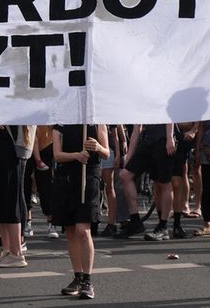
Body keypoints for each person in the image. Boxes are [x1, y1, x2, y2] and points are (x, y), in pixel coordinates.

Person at [52, 124, 109, 300]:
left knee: (82, 230)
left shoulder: (97, 123)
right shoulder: (60, 125)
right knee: (70, 231)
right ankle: (77, 277)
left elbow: (106, 153)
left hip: (89, 178)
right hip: (66, 179)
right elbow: (57, 155)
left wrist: (98, 147)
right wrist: (77, 155)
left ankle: (87, 280)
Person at [0, 125, 33, 268]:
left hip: (10, 148)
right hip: (1, 147)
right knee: (1, 201)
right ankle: (7, 249)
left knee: (10, 200)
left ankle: (16, 253)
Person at [115, 124, 175, 240]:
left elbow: (169, 116)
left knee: (163, 183)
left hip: (163, 140)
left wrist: (170, 137)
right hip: (148, 142)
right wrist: (129, 156)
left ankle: (163, 226)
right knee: (125, 175)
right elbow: (137, 129)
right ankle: (135, 221)